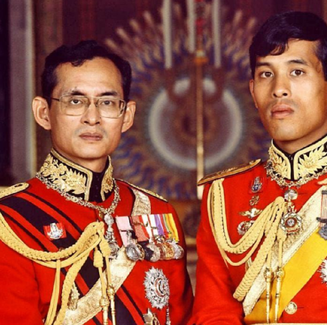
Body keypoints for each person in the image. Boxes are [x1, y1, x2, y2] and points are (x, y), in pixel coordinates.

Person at [189, 11, 327, 325]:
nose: (279, 89)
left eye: (297, 72)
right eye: (265, 74)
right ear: (252, 91)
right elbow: (211, 313)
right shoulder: (223, 194)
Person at [0, 40, 193, 325]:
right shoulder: (10, 219)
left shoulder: (156, 212)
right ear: (43, 113)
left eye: (107, 102)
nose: (92, 117)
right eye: (75, 101)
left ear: (126, 116)